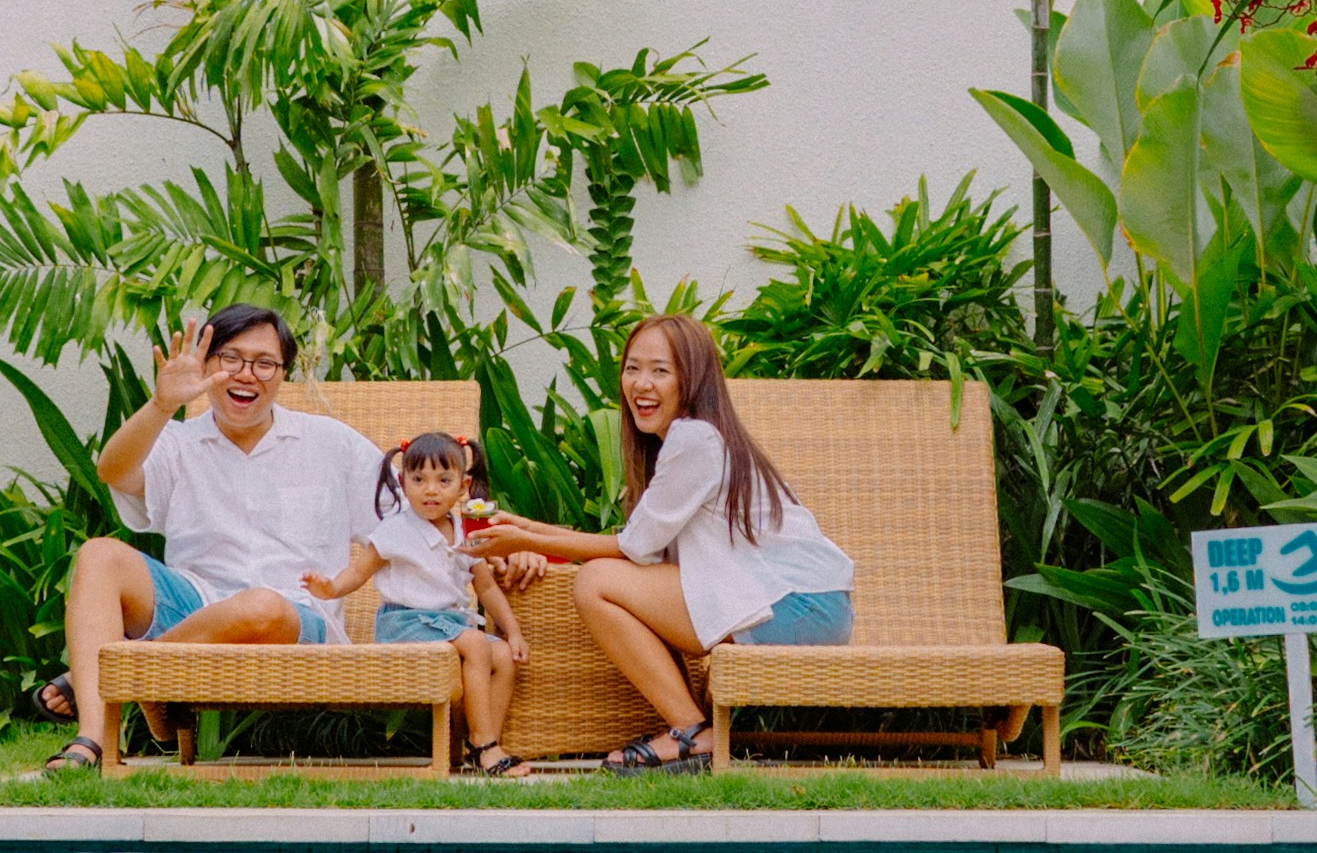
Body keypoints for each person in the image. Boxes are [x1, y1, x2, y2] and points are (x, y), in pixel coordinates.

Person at [467, 313, 852, 771]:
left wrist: (523, 536)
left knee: (596, 584)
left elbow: (631, 550)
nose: (641, 384)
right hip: (803, 603)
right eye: (632, 368)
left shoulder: (694, 439)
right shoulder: (693, 438)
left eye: (660, 371)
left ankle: (692, 732)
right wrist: (522, 529)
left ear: (692, 379)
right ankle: (691, 729)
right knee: (617, 579)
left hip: (798, 606)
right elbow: (639, 546)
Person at [41, 309, 383, 771]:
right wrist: (162, 406)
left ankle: (135, 672)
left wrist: (494, 554)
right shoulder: (178, 441)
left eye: (264, 363)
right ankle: (91, 741)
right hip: (194, 605)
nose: (247, 375)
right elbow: (112, 472)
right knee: (99, 554)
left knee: (260, 606)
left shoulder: (331, 443)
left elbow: (411, 519)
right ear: (206, 368)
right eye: (231, 359)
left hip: (293, 618)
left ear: (283, 374)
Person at [306, 431, 543, 779]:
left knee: (503, 656)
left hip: (449, 624)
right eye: (419, 480)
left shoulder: (466, 530)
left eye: (443, 480)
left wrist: (515, 632)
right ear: (403, 483)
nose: (430, 490)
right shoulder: (395, 530)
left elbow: (488, 587)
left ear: (462, 486)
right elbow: (358, 572)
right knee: (476, 644)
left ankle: (482, 743)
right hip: (405, 622)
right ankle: (485, 745)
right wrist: (331, 588)